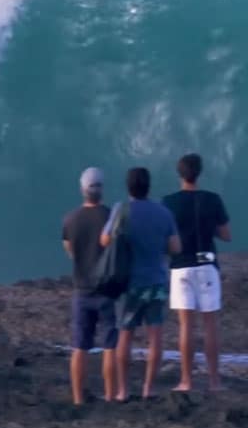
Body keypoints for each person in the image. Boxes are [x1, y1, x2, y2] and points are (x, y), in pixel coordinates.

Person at [101, 168, 180, 401]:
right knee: (155, 336)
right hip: (156, 281)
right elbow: (175, 248)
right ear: (148, 186)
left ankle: (123, 390)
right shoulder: (163, 212)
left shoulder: (121, 209)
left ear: (128, 187)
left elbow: (105, 240)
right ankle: (148, 388)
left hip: (131, 284)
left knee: (125, 335)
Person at [161, 153, 232, 392]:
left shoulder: (169, 202)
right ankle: (214, 382)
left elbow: (166, 238)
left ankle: (186, 381)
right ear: (199, 173)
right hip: (207, 265)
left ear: (179, 174)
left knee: (186, 326)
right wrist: (208, 227)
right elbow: (226, 235)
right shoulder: (212, 199)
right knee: (210, 324)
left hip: (181, 266)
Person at [61, 167, 116, 405]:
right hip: (107, 289)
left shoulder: (70, 219)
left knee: (79, 347)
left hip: (81, 290)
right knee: (110, 346)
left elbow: (70, 251)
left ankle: (78, 398)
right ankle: (110, 396)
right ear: (101, 189)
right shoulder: (110, 217)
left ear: (82, 190)